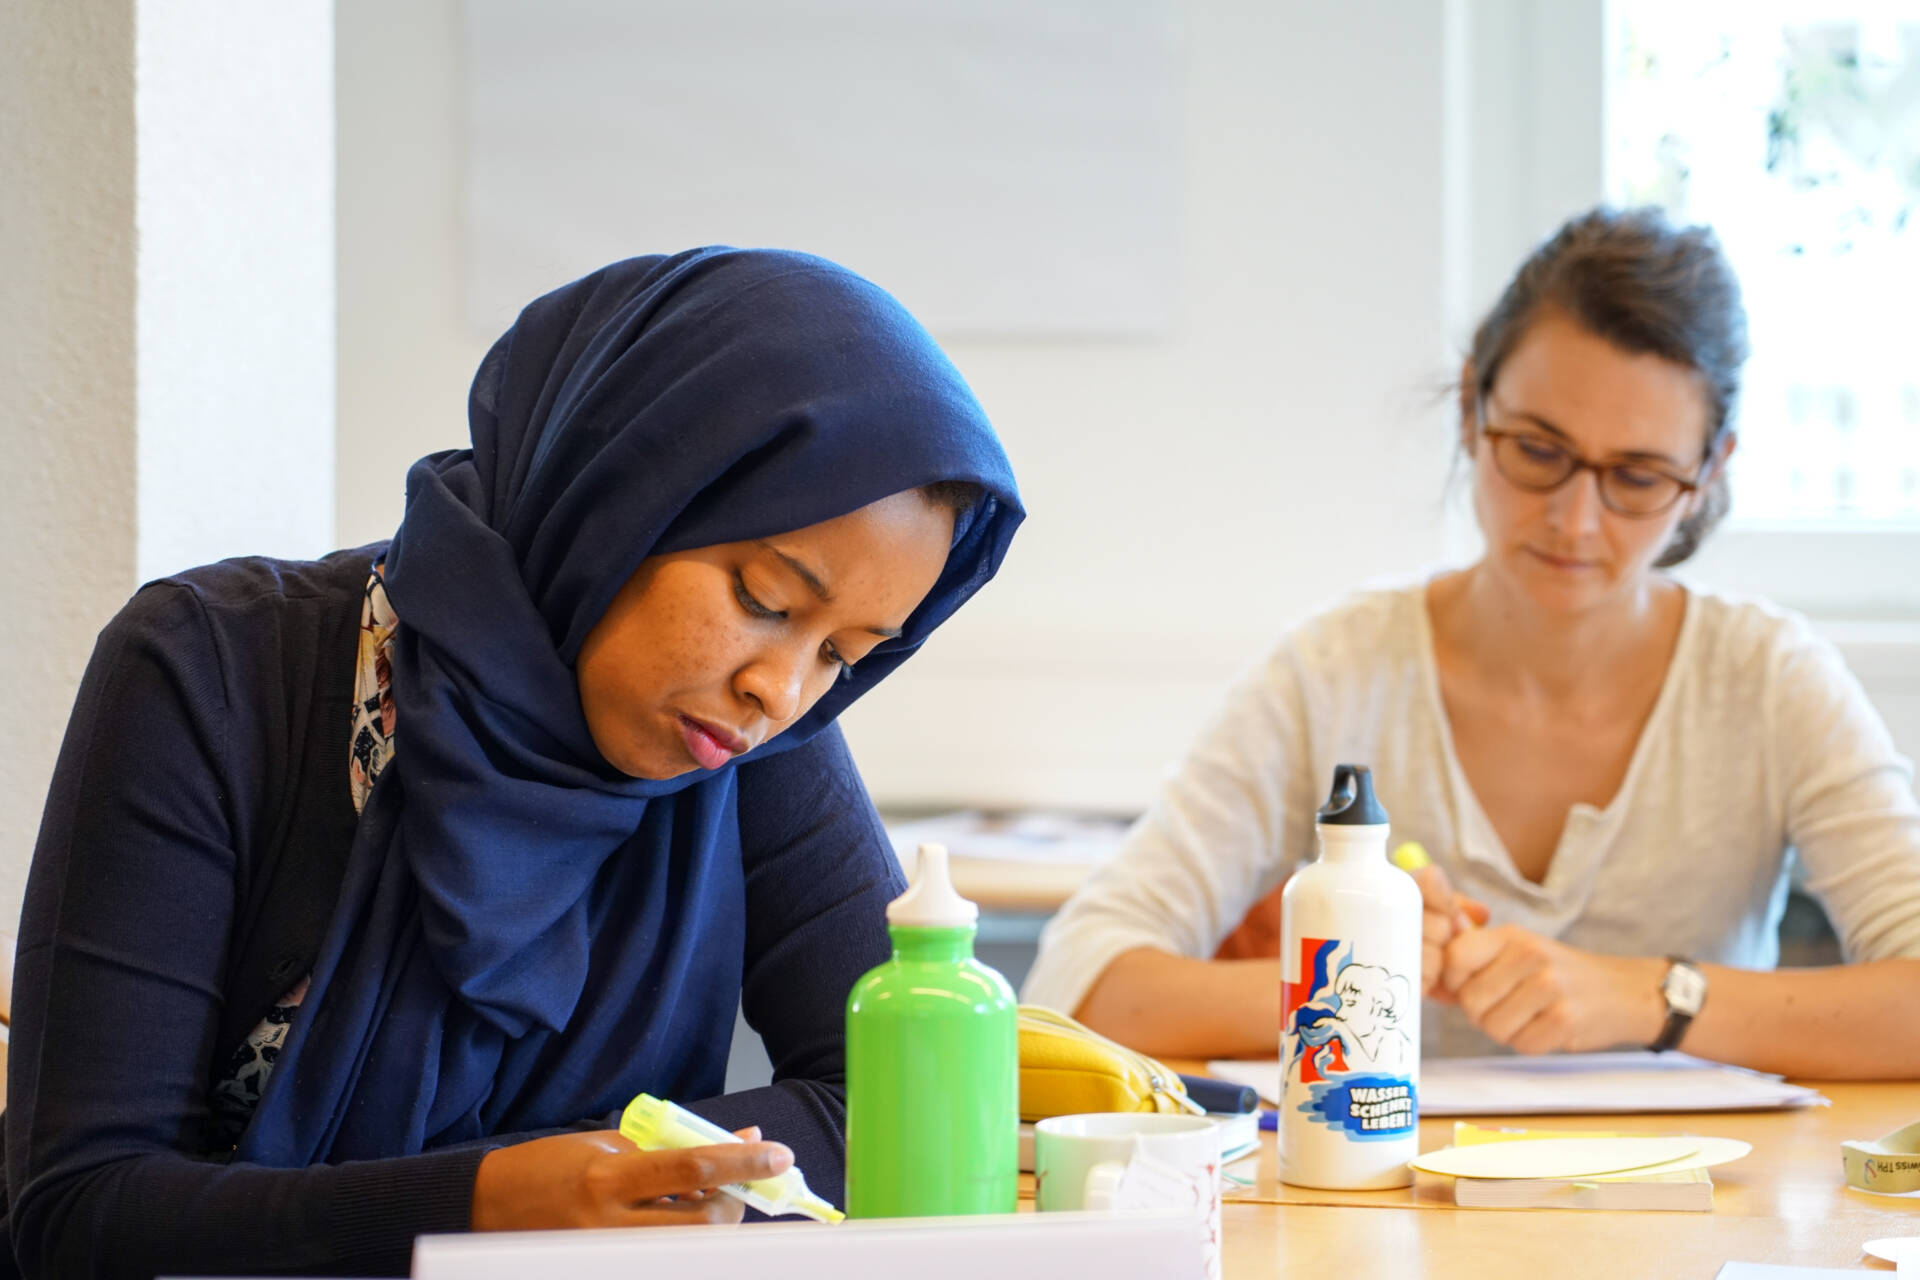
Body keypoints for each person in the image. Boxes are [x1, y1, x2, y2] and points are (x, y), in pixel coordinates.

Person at [4, 248, 1023, 1278]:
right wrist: (486, 1202)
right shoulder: (208, 672)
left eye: (845, 653)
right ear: (624, 492)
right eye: (764, 596)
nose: (786, 689)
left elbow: (894, 1100)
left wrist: (598, 1180)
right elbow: (82, 1204)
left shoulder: (747, 736)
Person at [1023, 206, 1920, 1078]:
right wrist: (1358, 970)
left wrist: (1654, 1000)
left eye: (1637, 477)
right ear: (1470, 409)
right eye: (1537, 451)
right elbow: (1081, 984)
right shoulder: (1336, 674)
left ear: (1708, 473)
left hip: (1704, 1209)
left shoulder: (1770, 682)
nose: (1575, 521)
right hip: (1388, 1202)